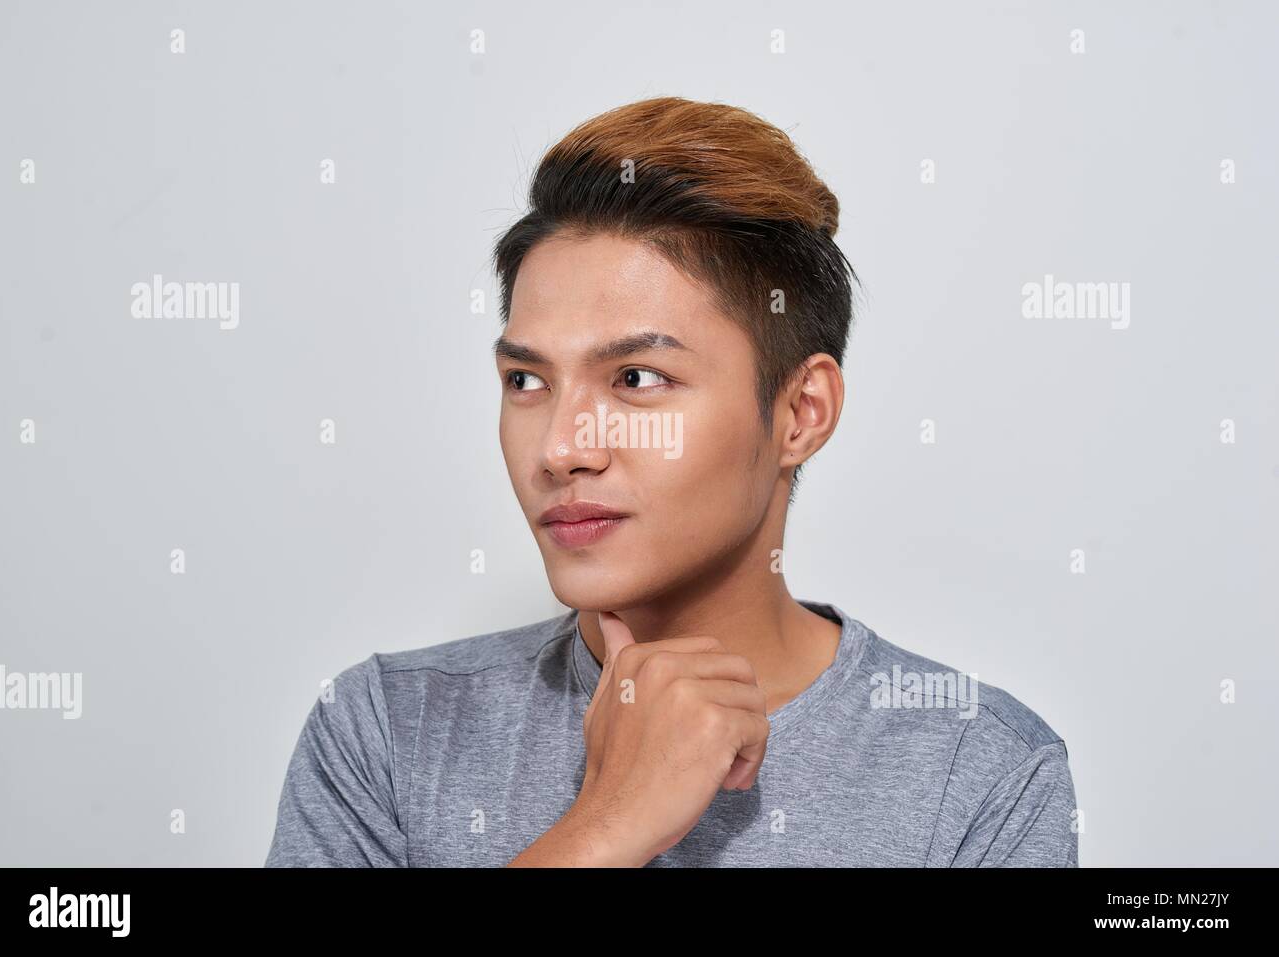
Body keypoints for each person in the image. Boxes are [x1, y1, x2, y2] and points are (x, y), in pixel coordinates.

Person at [265, 96, 1079, 867]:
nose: (561, 448)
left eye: (637, 379)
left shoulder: (979, 771)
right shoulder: (386, 729)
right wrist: (606, 825)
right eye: (527, 382)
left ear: (800, 412)